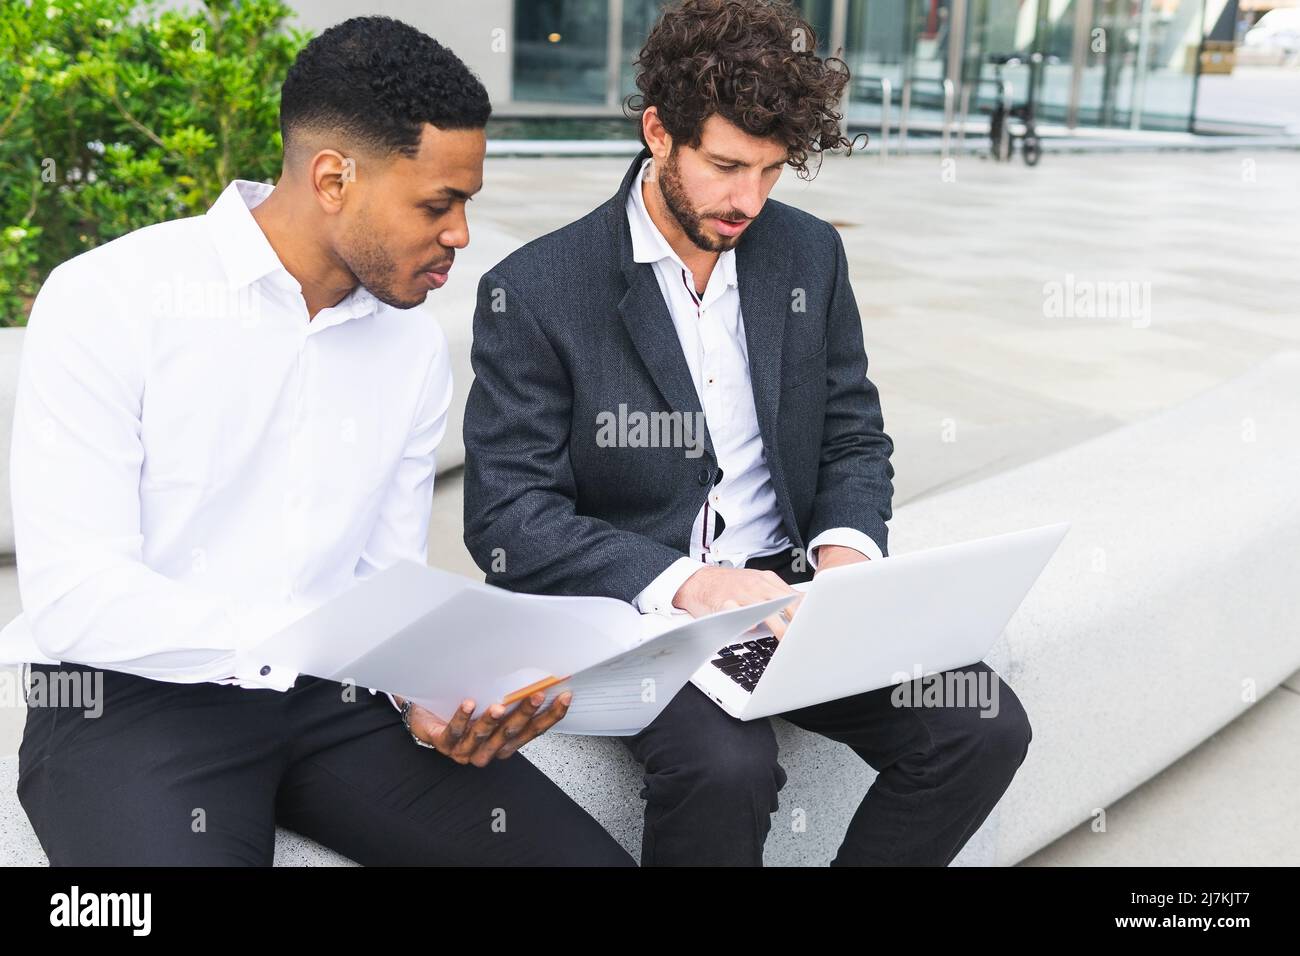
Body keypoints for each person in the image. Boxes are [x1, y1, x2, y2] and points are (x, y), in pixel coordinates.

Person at [3, 16, 631, 867]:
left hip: (334, 699)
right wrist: (311, 639)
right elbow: (77, 598)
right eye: (437, 204)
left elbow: (382, 577)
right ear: (333, 178)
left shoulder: (409, 342)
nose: (460, 235)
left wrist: (429, 685)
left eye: (467, 203)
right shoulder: (110, 301)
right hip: (127, 704)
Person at [463, 0, 1032, 866]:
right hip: (635, 614)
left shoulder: (806, 255)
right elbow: (507, 517)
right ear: (659, 133)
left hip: (794, 601)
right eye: (727, 166)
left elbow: (851, 434)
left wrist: (846, 558)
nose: (747, 202)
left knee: (981, 724)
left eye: (770, 172)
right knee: (727, 767)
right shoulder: (537, 291)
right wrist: (687, 584)